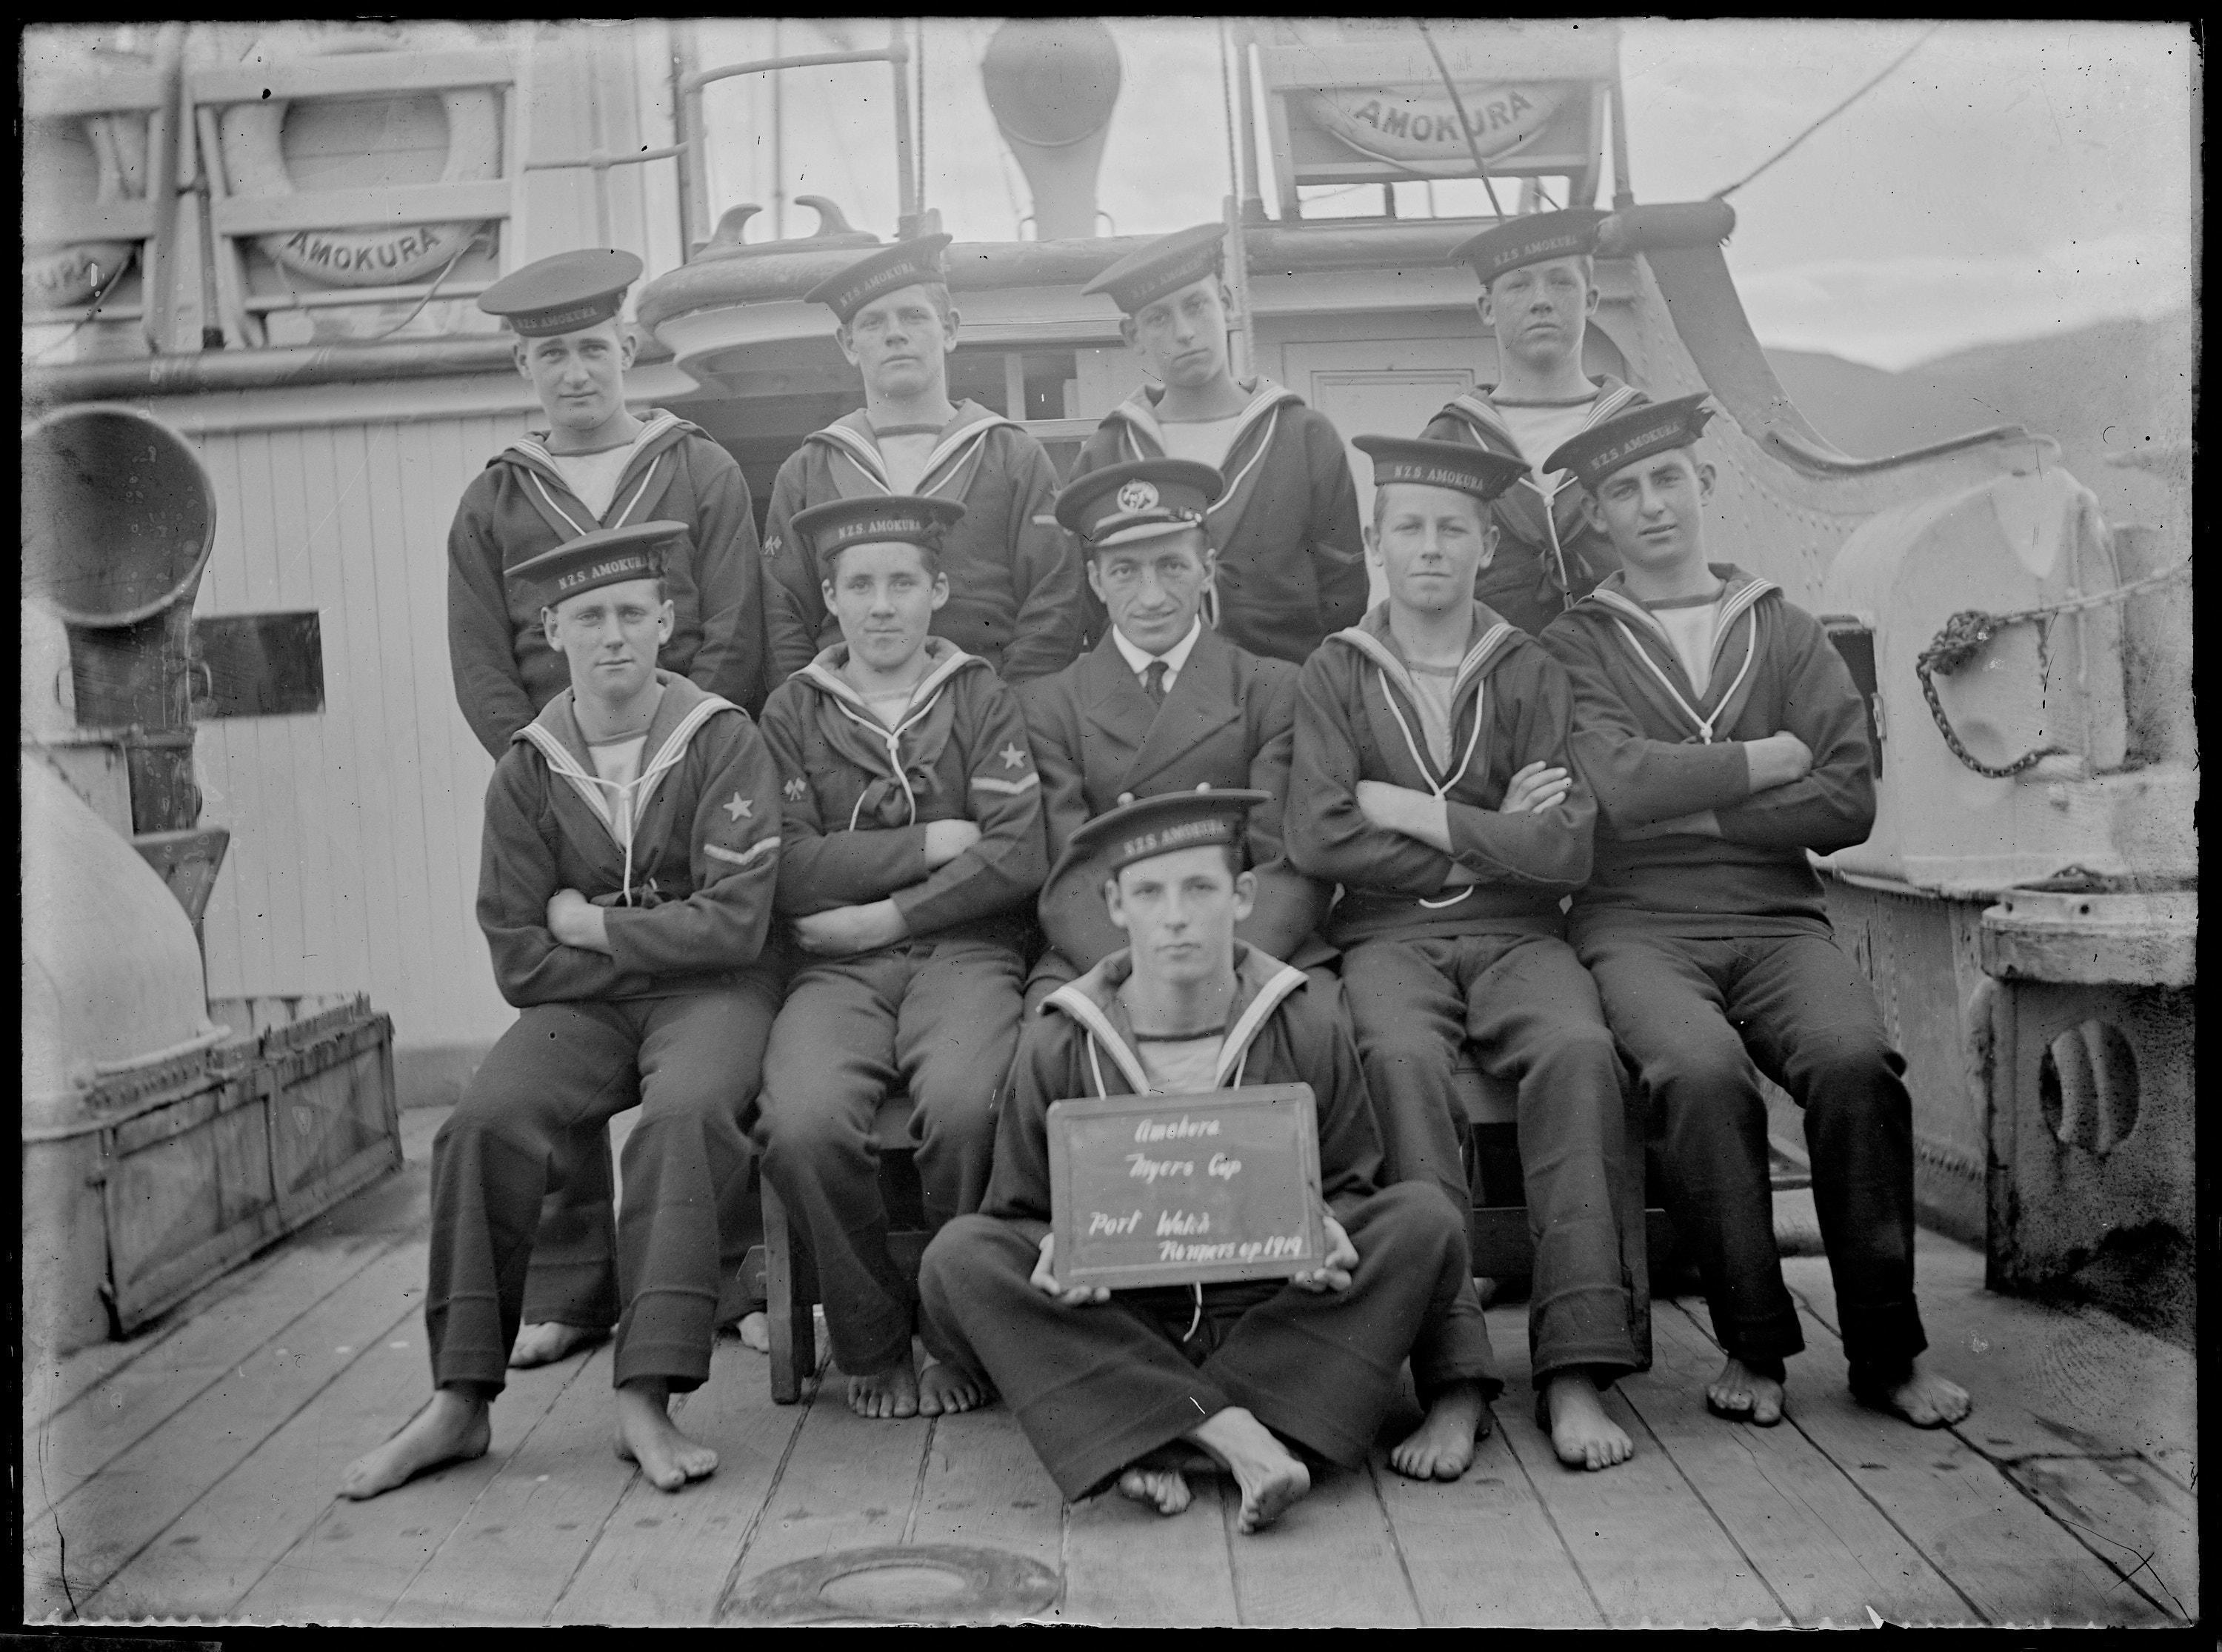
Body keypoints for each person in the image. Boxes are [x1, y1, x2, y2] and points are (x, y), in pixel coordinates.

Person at [1537, 394, 1971, 1431]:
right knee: (1697, 1073)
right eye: (1624, 492)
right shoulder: (1575, 642)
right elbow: (1620, 788)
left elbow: (1849, 799)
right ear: (1597, 517)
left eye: (1668, 479)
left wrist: (1707, 811)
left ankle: (1886, 1345)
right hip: (1635, 921)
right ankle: (1757, 1342)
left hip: (1779, 918)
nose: (1651, 506)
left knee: (1854, 1062)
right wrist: (1764, 766)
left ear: (1707, 485)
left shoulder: (1782, 627)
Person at [341, 523, 786, 1500]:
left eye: (634, 611)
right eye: (590, 615)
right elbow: (517, 957)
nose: (614, 633)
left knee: (683, 1117)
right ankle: (459, 1397)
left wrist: (591, 923)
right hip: (586, 1008)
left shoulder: (721, 738)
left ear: (668, 621)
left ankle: (645, 1392)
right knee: (481, 1123)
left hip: (714, 999)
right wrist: (650, 932)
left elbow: (739, 927)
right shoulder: (530, 769)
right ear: (553, 629)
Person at [918, 790, 1489, 1531]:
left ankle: (1156, 1425)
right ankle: (1233, 1430)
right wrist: (1060, 1246)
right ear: (1117, 905)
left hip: (1270, 1309)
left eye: (1199, 888)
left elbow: (1353, 1180)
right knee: (961, 1255)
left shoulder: (1303, 1018)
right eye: (1150, 893)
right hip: (1131, 1319)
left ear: (1242, 895)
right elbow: (1017, 1212)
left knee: (1422, 1219)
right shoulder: (1063, 1037)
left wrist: (1330, 1226)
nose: (1175, 915)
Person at [1286, 435, 1647, 1475]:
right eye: (1410, 526)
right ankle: (1451, 1377)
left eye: (1454, 528)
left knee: (1580, 1050)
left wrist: (1418, 812)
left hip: (1521, 928)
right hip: (1388, 937)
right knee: (1395, 1063)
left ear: (1489, 544)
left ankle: (1575, 1363)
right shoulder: (1337, 668)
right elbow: (1318, 835)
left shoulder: (1530, 666)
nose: (1431, 547)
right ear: (1376, 541)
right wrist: (1493, 820)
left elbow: (1565, 845)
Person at [445, 246, 774, 1369]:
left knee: (702, 1066)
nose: (575, 371)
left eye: (593, 346)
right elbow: (485, 666)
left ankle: (727, 1278)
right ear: (524, 364)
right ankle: (572, 1286)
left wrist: (675, 765)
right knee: (557, 1050)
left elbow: (735, 628)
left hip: (687, 783)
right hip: (569, 800)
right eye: (551, 354)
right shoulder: (497, 494)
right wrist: (560, 783)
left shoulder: (698, 467)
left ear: (628, 348)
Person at [753, 493, 1048, 1420]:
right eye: (860, 586)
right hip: (833, 970)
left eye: (902, 584)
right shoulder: (793, 709)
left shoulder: (979, 693)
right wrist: (928, 843)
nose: (882, 606)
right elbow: (788, 864)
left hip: (963, 951)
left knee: (967, 1103)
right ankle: (872, 1336)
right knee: (802, 1122)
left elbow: (1017, 850)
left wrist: (887, 913)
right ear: (830, 600)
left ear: (939, 591)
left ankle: (958, 1330)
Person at [1021, 457, 1332, 1010]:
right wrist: (1144, 980)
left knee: (1318, 1024)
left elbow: (1286, 867)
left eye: (1171, 566)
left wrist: (1224, 977)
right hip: (1108, 955)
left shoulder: (1271, 687)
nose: (1152, 595)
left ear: (1207, 568)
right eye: (1124, 572)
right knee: (1054, 1040)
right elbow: (1071, 882)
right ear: (1095, 580)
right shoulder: (1052, 705)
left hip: (1248, 950)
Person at [761, 234, 1082, 686]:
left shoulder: (1011, 455)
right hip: (848, 719)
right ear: (848, 344)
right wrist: (815, 715)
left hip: (988, 714)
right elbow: (784, 617)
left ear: (949, 328)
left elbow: (1054, 600)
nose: (895, 333)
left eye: (913, 315)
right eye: (872, 323)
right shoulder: (808, 470)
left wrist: (1006, 713)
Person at [1066, 222, 1367, 666]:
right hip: (1155, 704)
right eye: (1158, 318)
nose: (1184, 332)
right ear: (1133, 336)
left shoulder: (1302, 435)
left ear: (1225, 305)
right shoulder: (1108, 451)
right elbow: (1086, 599)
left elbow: (1344, 589)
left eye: (1196, 306)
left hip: (1284, 694)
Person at [1418, 209, 1648, 638]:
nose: (1541, 300)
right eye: (1519, 284)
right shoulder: (1449, 439)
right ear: (1487, 308)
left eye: (1561, 281)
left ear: (1591, 300)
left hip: (1627, 672)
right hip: (1499, 680)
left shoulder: (1638, 425)